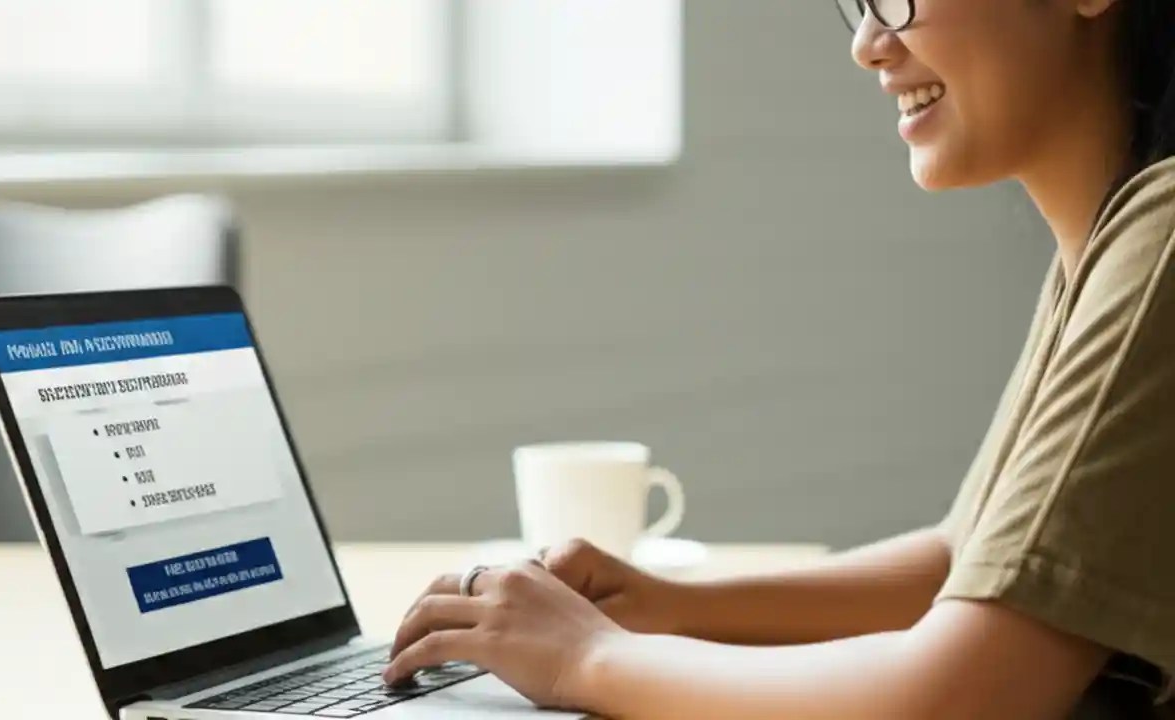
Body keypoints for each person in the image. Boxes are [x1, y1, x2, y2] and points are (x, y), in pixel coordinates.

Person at [383, 0, 1175, 716]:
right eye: (859, 4)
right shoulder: (1108, 247)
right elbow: (964, 560)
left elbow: (960, 693)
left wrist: (590, 657)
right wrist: (671, 604)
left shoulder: (1163, 236)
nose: (869, 45)